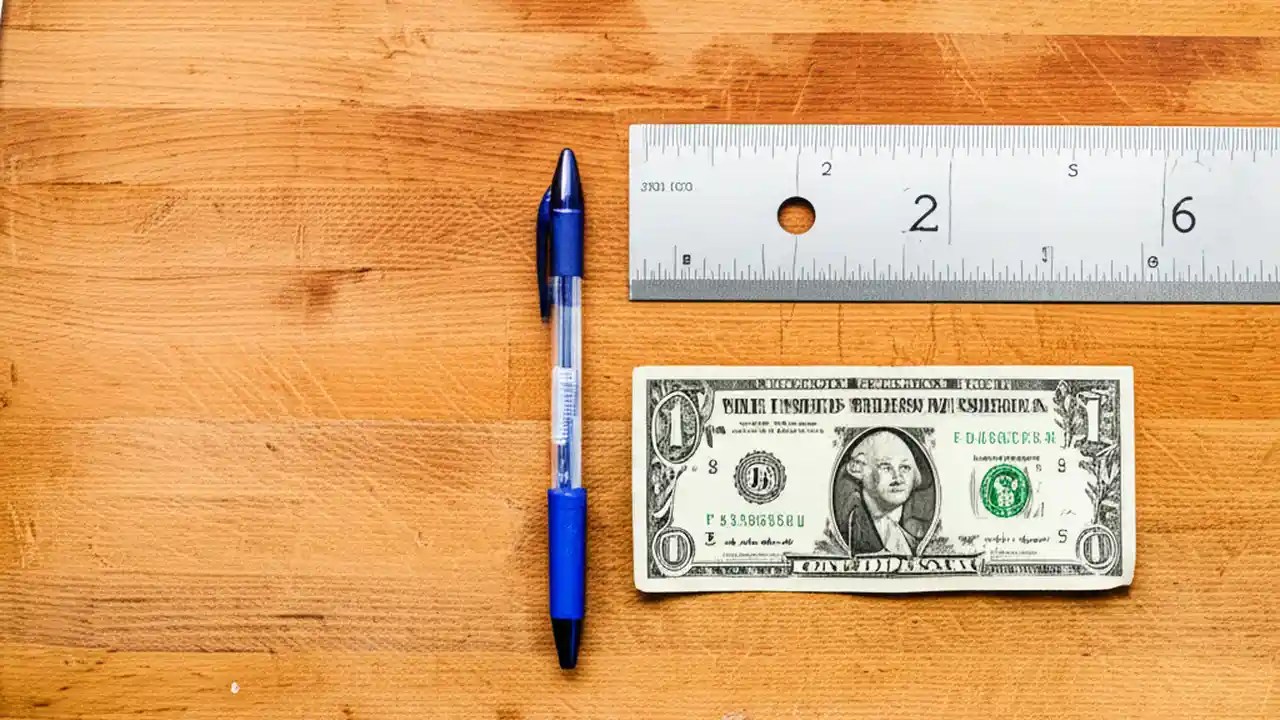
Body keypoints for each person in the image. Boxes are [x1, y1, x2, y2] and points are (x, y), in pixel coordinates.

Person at [842, 430, 934, 556]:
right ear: (858, 469)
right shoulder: (849, 521)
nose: (898, 478)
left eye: (905, 468)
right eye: (886, 467)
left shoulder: (917, 530)